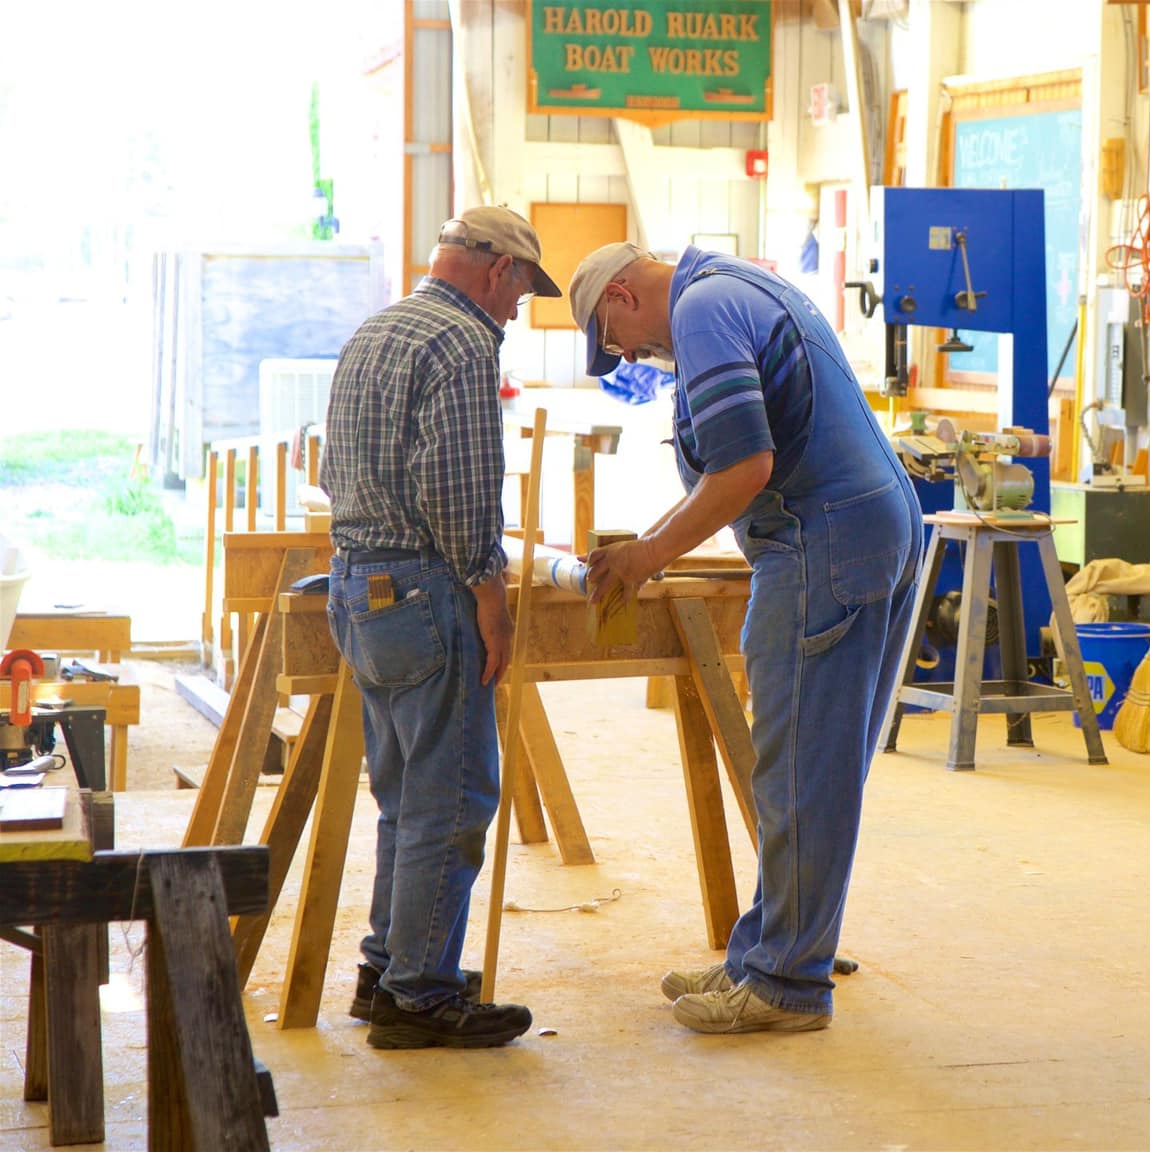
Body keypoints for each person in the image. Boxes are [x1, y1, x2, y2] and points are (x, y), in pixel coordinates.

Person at [571, 241, 921, 1035]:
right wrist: (649, 548)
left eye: (615, 337)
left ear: (623, 293)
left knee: (800, 768)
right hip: (863, 524)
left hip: (823, 539)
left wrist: (646, 557)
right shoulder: (734, 283)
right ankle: (764, 953)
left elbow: (744, 468)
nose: (629, 354)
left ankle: (785, 983)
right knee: (812, 765)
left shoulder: (698, 311)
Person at [322, 206, 559, 1050]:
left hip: (360, 580)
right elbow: (461, 501)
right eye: (521, 293)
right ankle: (418, 995)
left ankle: (389, 967)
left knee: (404, 796)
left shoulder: (379, 327)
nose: (517, 311)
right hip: (426, 589)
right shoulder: (460, 343)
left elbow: (331, 467)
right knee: (453, 798)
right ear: (496, 270)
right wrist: (492, 604)